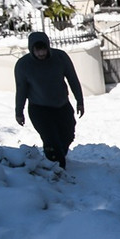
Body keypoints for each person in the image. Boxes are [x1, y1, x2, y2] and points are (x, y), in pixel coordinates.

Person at [14, 31, 84, 169]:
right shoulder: (23, 65)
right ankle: (57, 167)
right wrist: (19, 112)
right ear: (31, 49)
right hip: (39, 109)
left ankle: (55, 159)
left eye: (43, 49)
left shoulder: (60, 57)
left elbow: (72, 79)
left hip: (62, 105)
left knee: (68, 135)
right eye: (37, 50)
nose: (41, 53)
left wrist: (80, 101)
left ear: (48, 47)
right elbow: (21, 89)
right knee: (51, 140)